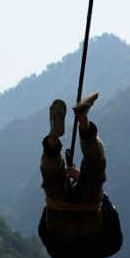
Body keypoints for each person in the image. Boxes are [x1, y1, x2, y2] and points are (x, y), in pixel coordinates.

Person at [39, 92, 107, 239]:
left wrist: (84, 180)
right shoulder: (60, 248)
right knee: (53, 181)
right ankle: (53, 141)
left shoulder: (102, 243)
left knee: (95, 168)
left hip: (89, 220)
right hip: (61, 223)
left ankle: (83, 122)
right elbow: (43, 232)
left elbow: (106, 207)